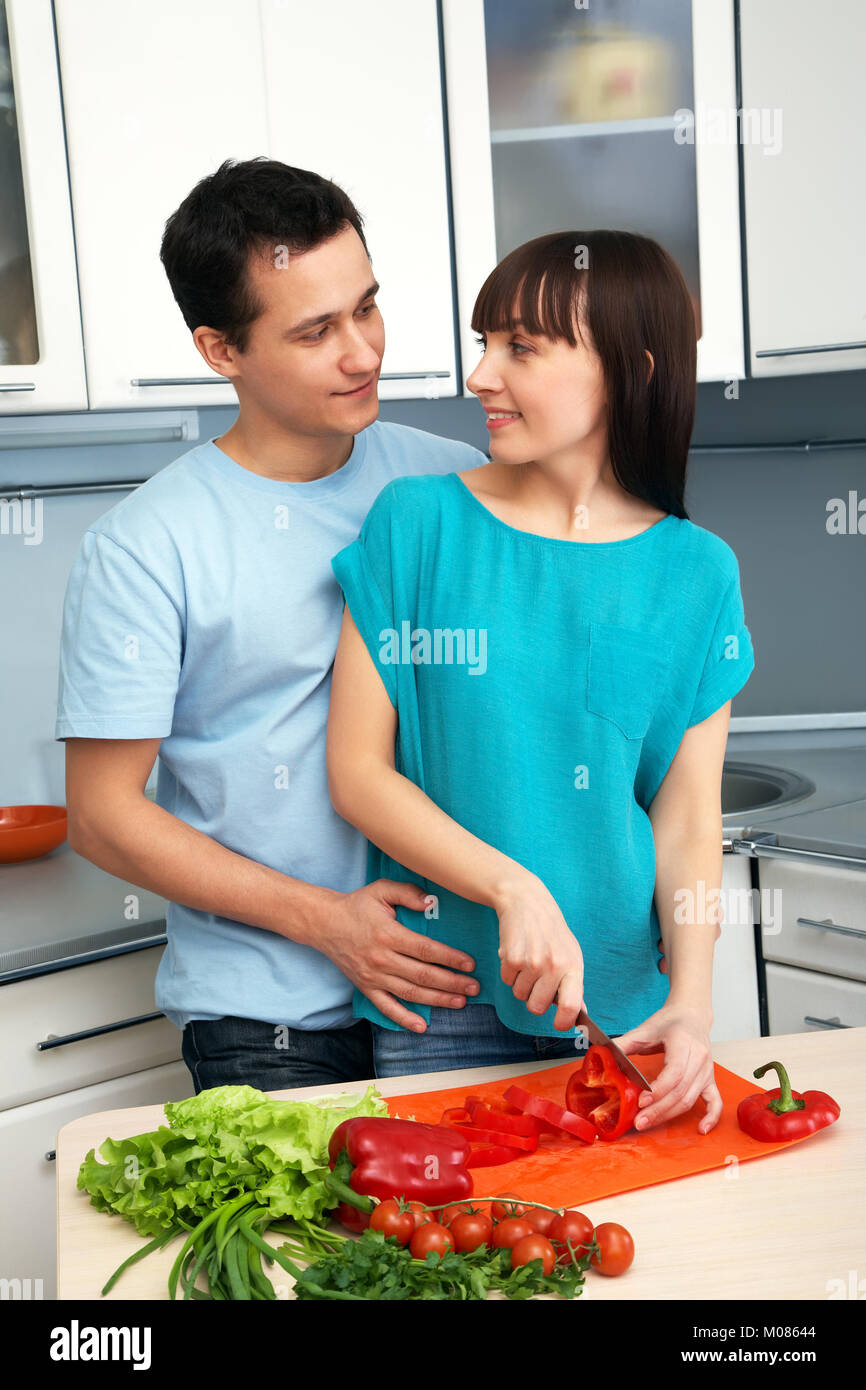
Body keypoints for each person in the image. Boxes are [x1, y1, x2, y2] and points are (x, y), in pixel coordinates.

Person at [55, 157, 489, 1094]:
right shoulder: (144, 545)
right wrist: (329, 920)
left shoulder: (453, 482)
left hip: (460, 995)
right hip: (269, 1019)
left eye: (367, 307)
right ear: (222, 350)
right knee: (307, 1250)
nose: (364, 353)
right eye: (316, 331)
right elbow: (100, 815)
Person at [327, 229, 755, 1134]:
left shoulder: (697, 573)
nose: (481, 375)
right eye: (486, 342)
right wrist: (514, 890)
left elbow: (686, 817)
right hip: (444, 1003)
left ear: (628, 370)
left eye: (520, 347)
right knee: (459, 1267)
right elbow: (359, 774)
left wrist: (696, 999)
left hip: (624, 1013)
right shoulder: (419, 526)